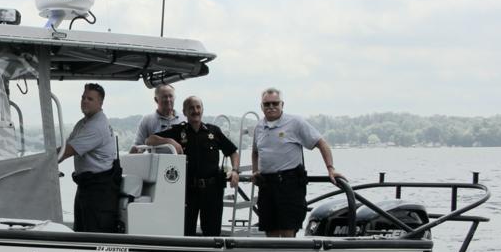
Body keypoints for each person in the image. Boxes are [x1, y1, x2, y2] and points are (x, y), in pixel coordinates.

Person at [251, 88, 344, 237]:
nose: (271, 107)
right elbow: (255, 152)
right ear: (261, 107)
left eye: (275, 103)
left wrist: (330, 169)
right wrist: (255, 171)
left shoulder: (295, 122)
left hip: (289, 184)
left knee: (288, 230)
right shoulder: (259, 127)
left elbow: (322, 143)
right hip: (266, 186)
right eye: (267, 104)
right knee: (270, 233)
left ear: (282, 104)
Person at [146, 96, 240, 236]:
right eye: (191, 108)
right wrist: (170, 141)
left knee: (212, 233)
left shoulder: (213, 132)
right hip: (188, 191)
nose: (195, 111)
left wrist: (235, 171)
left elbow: (233, 152)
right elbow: (149, 140)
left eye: (198, 107)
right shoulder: (179, 131)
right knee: (186, 231)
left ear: (202, 110)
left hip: (212, 190)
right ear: (184, 111)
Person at [58, 83, 120, 233]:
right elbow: (65, 148)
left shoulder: (97, 126)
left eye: (90, 99)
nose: (85, 101)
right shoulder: (82, 124)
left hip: (99, 190)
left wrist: (42, 163)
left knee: (93, 236)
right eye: (83, 97)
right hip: (86, 186)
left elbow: (66, 152)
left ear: (100, 103)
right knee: (80, 231)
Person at [131, 84, 184, 152]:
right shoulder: (147, 120)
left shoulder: (184, 119)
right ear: (156, 99)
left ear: (174, 98)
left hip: (180, 161)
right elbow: (138, 146)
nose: (168, 100)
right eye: (164, 97)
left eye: (170, 96)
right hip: (156, 161)